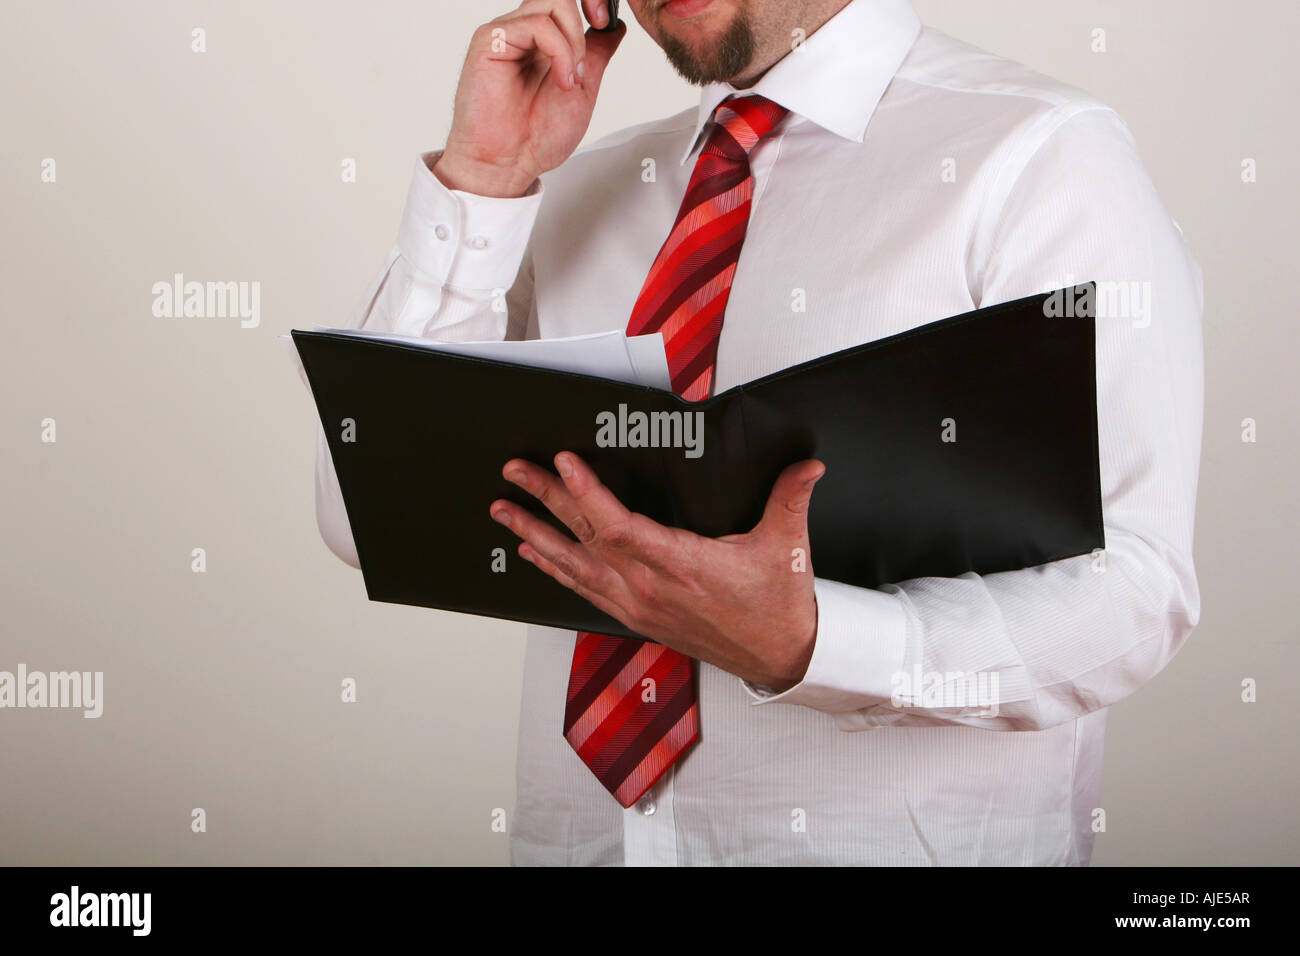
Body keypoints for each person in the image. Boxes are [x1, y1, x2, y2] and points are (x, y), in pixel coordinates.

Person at [313, 0, 1203, 865]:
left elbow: (1134, 587)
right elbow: (370, 521)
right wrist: (484, 175)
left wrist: (816, 644)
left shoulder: (1037, 154)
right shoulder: (575, 188)